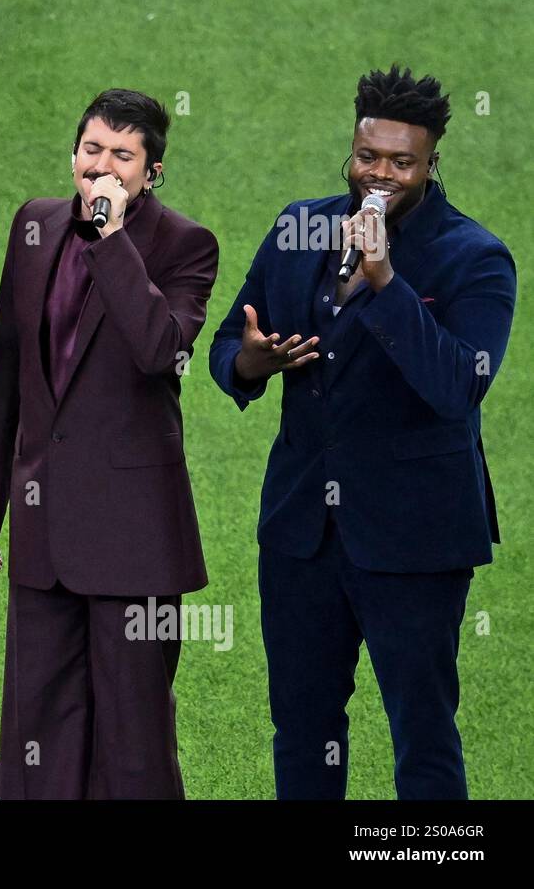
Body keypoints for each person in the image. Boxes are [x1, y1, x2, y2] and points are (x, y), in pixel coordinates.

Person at [208, 65, 516, 799]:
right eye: (368, 156)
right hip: (301, 533)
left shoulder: (475, 257)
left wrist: (384, 280)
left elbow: (457, 387)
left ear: (431, 162)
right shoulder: (298, 226)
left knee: (424, 732)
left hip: (415, 539)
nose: (380, 174)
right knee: (304, 727)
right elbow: (228, 346)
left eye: (401, 162)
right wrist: (250, 362)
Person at [0, 89, 219, 799]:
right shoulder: (34, 225)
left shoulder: (185, 245)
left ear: (152, 171)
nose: (101, 166)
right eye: (92, 149)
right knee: (38, 730)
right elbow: (8, 372)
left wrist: (111, 241)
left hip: (136, 535)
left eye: (122, 156)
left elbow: (157, 349)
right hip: (43, 526)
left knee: (133, 739)